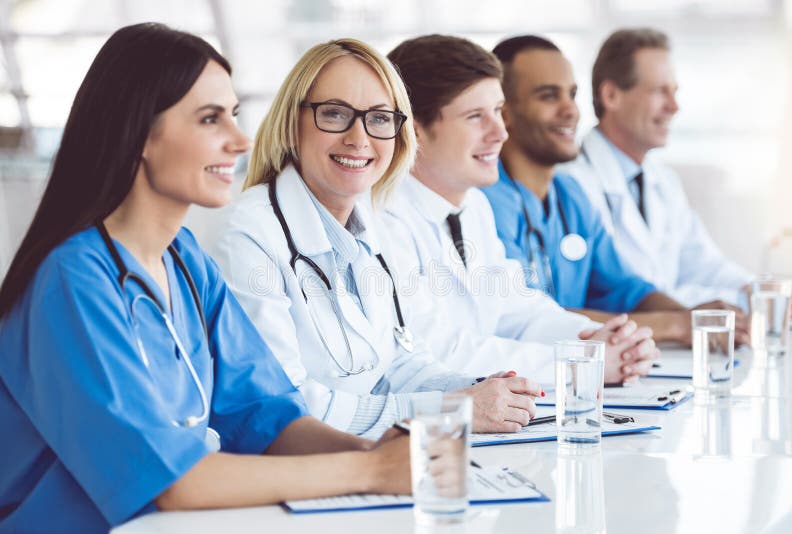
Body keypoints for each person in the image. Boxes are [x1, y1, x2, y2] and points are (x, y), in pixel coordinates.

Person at [0, 24, 412, 534]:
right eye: (210, 119)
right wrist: (369, 470)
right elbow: (170, 483)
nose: (240, 141)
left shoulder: (185, 262)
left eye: (235, 115)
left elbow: (264, 417)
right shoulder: (73, 281)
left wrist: (383, 455)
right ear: (140, 132)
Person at [210, 38, 543, 440]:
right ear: (291, 121)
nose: (359, 137)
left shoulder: (367, 225)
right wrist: (452, 407)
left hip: (370, 456)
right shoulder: (249, 233)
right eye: (334, 114)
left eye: (380, 118)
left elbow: (396, 363)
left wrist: (476, 388)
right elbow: (285, 407)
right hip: (304, 472)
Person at [380, 34, 659, 385]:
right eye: (475, 116)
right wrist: (578, 366)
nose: (500, 131)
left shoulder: (472, 206)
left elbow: (518, 310)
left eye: (498, 111)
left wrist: (597, 340)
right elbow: (440, 350)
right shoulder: (383, 220)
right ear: (415, 131)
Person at [481, 34, 736, 345]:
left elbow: (625, 289)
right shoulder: (485, 202)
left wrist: (696, 320)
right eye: (548, 96)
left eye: (571, 95)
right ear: (502, 111)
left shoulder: (570, 195)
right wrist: (677, 326)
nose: (570, 111)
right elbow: (525, 317)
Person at [560, 28, 752, 310]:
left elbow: (703, 264)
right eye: (660, 91)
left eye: (674, 92)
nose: (674, 107)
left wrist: (757, 291)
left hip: (668, 341)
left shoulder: (664, 181)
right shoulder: (571, 181)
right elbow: (618, 292)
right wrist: (700, 312)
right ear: (612, 95)